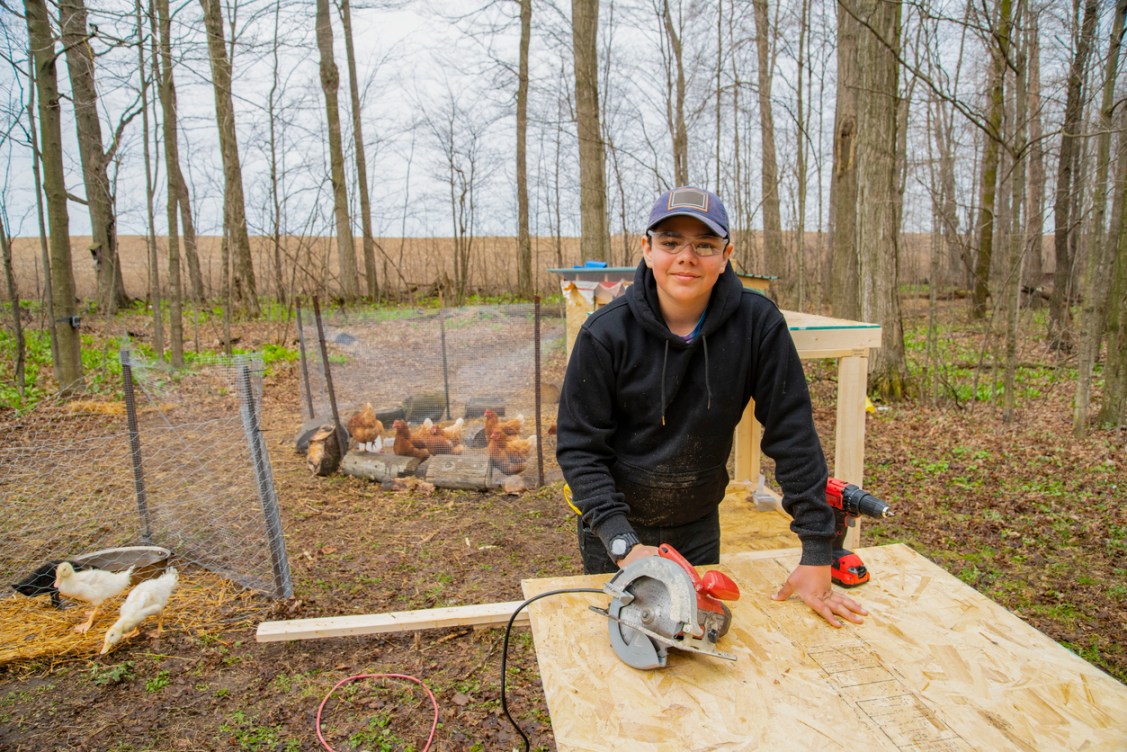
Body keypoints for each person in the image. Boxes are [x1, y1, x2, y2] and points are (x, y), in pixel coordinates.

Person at [555, 186, 866, 628]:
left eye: (704, 245)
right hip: (614, 525)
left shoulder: (758, 324)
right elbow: (579, 448)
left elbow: (792, 434)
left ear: (726, 255)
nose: (687, 257)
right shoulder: (606, 333)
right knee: (630, 640)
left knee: (695, 634)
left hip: (697, 522)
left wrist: (817, 552)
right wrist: (621, 542)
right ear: (646, 249)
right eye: (670, 242)